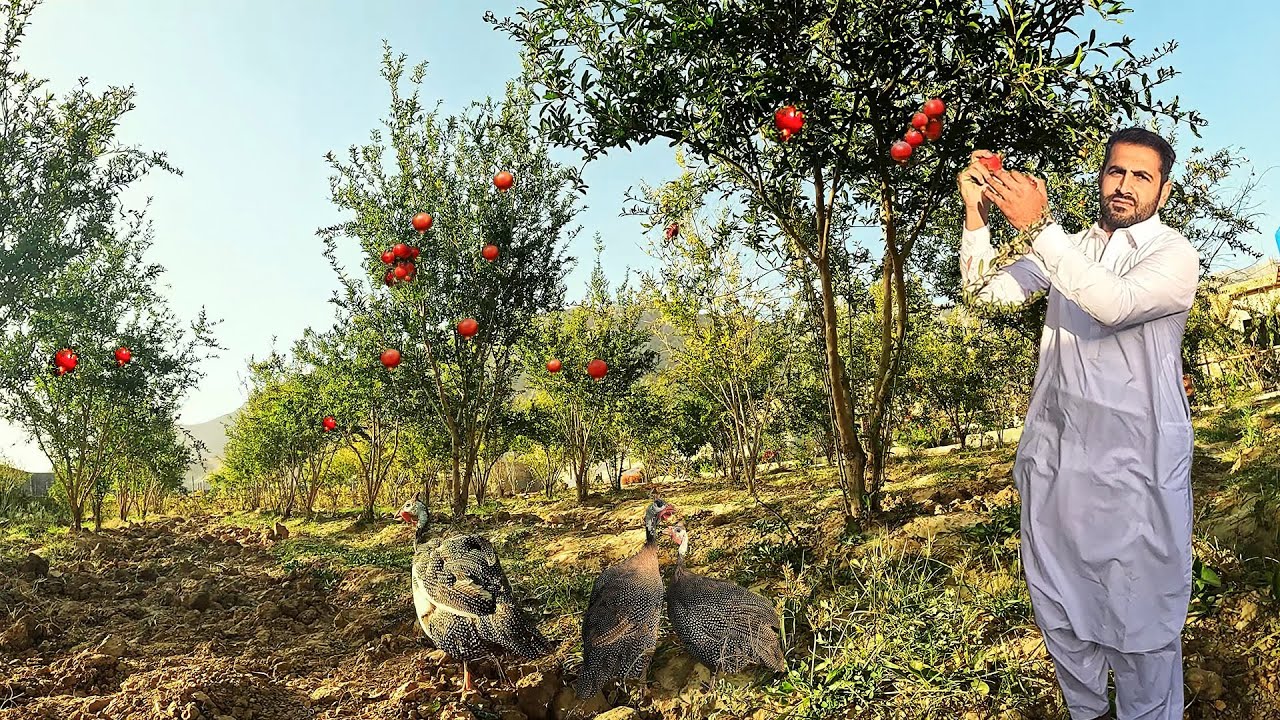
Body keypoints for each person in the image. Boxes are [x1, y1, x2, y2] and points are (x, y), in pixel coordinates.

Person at [956, 127, 1198, 720]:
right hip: (1060, 469)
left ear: (1162, 190)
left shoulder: (1173, 255)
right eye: (1116, 171)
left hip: (1137, 474)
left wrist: (1039, 227)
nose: (1125, 185)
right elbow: (986, 296)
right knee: (1064, 619)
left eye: (1142, 176)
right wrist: (975, 216)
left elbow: (1112, 304)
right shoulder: (1070, 246)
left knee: (1142, 630)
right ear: (1101, 176)